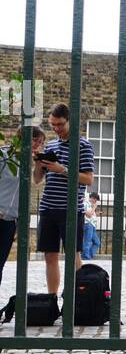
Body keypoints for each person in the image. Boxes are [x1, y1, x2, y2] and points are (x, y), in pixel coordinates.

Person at [33, 104, 95, 295]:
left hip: (71, 210)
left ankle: (76, 299)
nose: (56, 128)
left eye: (60, 124)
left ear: (69, 121)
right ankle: (52, 299)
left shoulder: (83, 145)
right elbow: (37, 179)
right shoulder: (50, 145)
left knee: (73, 255)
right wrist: (38, 163)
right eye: (53, 124)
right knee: (49, 256)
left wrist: (62, 169)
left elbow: (88, 179)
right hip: (48, 208)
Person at [0, 125, 46, 287]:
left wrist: (39, 163)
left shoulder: (28, 162)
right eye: (34, 139)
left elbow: (37, 180)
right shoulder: (5, 155)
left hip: (11, 221)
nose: (36, 144)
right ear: (21, 137)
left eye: (39, 142)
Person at [82, 190, 101, 260]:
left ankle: (88, 255)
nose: (96, 202)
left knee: (97, 242)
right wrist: (94, 207)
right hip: (88, 225)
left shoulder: (90, 205)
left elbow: (91, 214)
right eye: (96, 200)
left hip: (92, 226)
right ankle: (85, 257)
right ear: (93, 198)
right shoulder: (85, 204)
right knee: (87, 242)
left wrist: (96, 213)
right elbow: (89, 215)